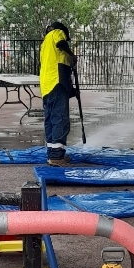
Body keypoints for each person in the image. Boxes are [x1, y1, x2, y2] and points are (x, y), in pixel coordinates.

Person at [39, 21, 77, 165]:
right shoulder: (56, 33)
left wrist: (72, 90)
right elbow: (61, 44)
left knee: (50, 119)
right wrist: (72, 55)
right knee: (60, 118)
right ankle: (56, 157)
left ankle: (52, 154)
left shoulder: (44, 45)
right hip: (56, 82)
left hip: (46, 86)